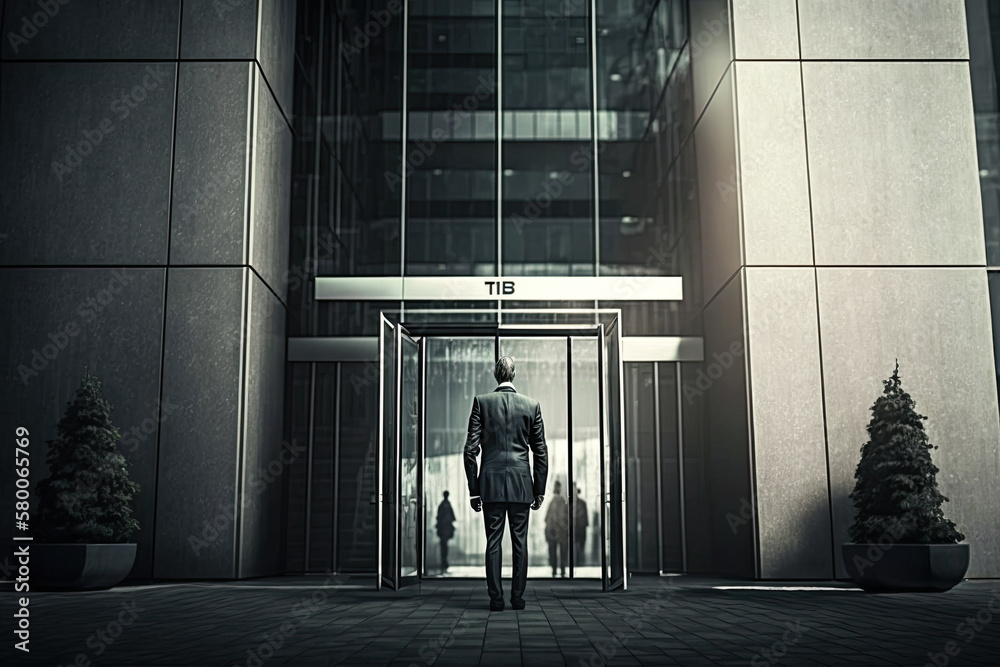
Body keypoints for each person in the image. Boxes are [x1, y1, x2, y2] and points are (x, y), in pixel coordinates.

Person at [464, 356, 547, 611]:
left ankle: (496, 598)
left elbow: (470, 450)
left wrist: (474, 491)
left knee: (493, 542)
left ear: (495, 375)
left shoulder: (481, 402)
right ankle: (518, 598)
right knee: (520, 542)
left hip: (490, 485)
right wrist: (539, 490)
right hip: (522, 485)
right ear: (514, 374)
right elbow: (540, 451)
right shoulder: (531, 406)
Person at [545, 480, 569, 577]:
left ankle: (557, 568)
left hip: (556, 529)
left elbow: (551, 516)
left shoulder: (557, 500)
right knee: (557, 550)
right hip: (556, 529)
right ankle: (558, 568)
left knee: (557, 550)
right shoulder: (558, 500)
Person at [436, 491, 455, 573]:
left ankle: (444, 562)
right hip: (445, 528)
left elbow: (439, 517)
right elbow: (452, 517)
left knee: (444, 546)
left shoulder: (442, 505)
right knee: (444, 546)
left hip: (443, 528)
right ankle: (444, 562)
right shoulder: (447, 505)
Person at [573, 485, 589, 566]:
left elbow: (585, 518)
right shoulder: (569, 502)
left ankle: (580, 562)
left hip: (581, 528)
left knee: (581, 545)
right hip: (574, 528)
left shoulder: (582, 503)